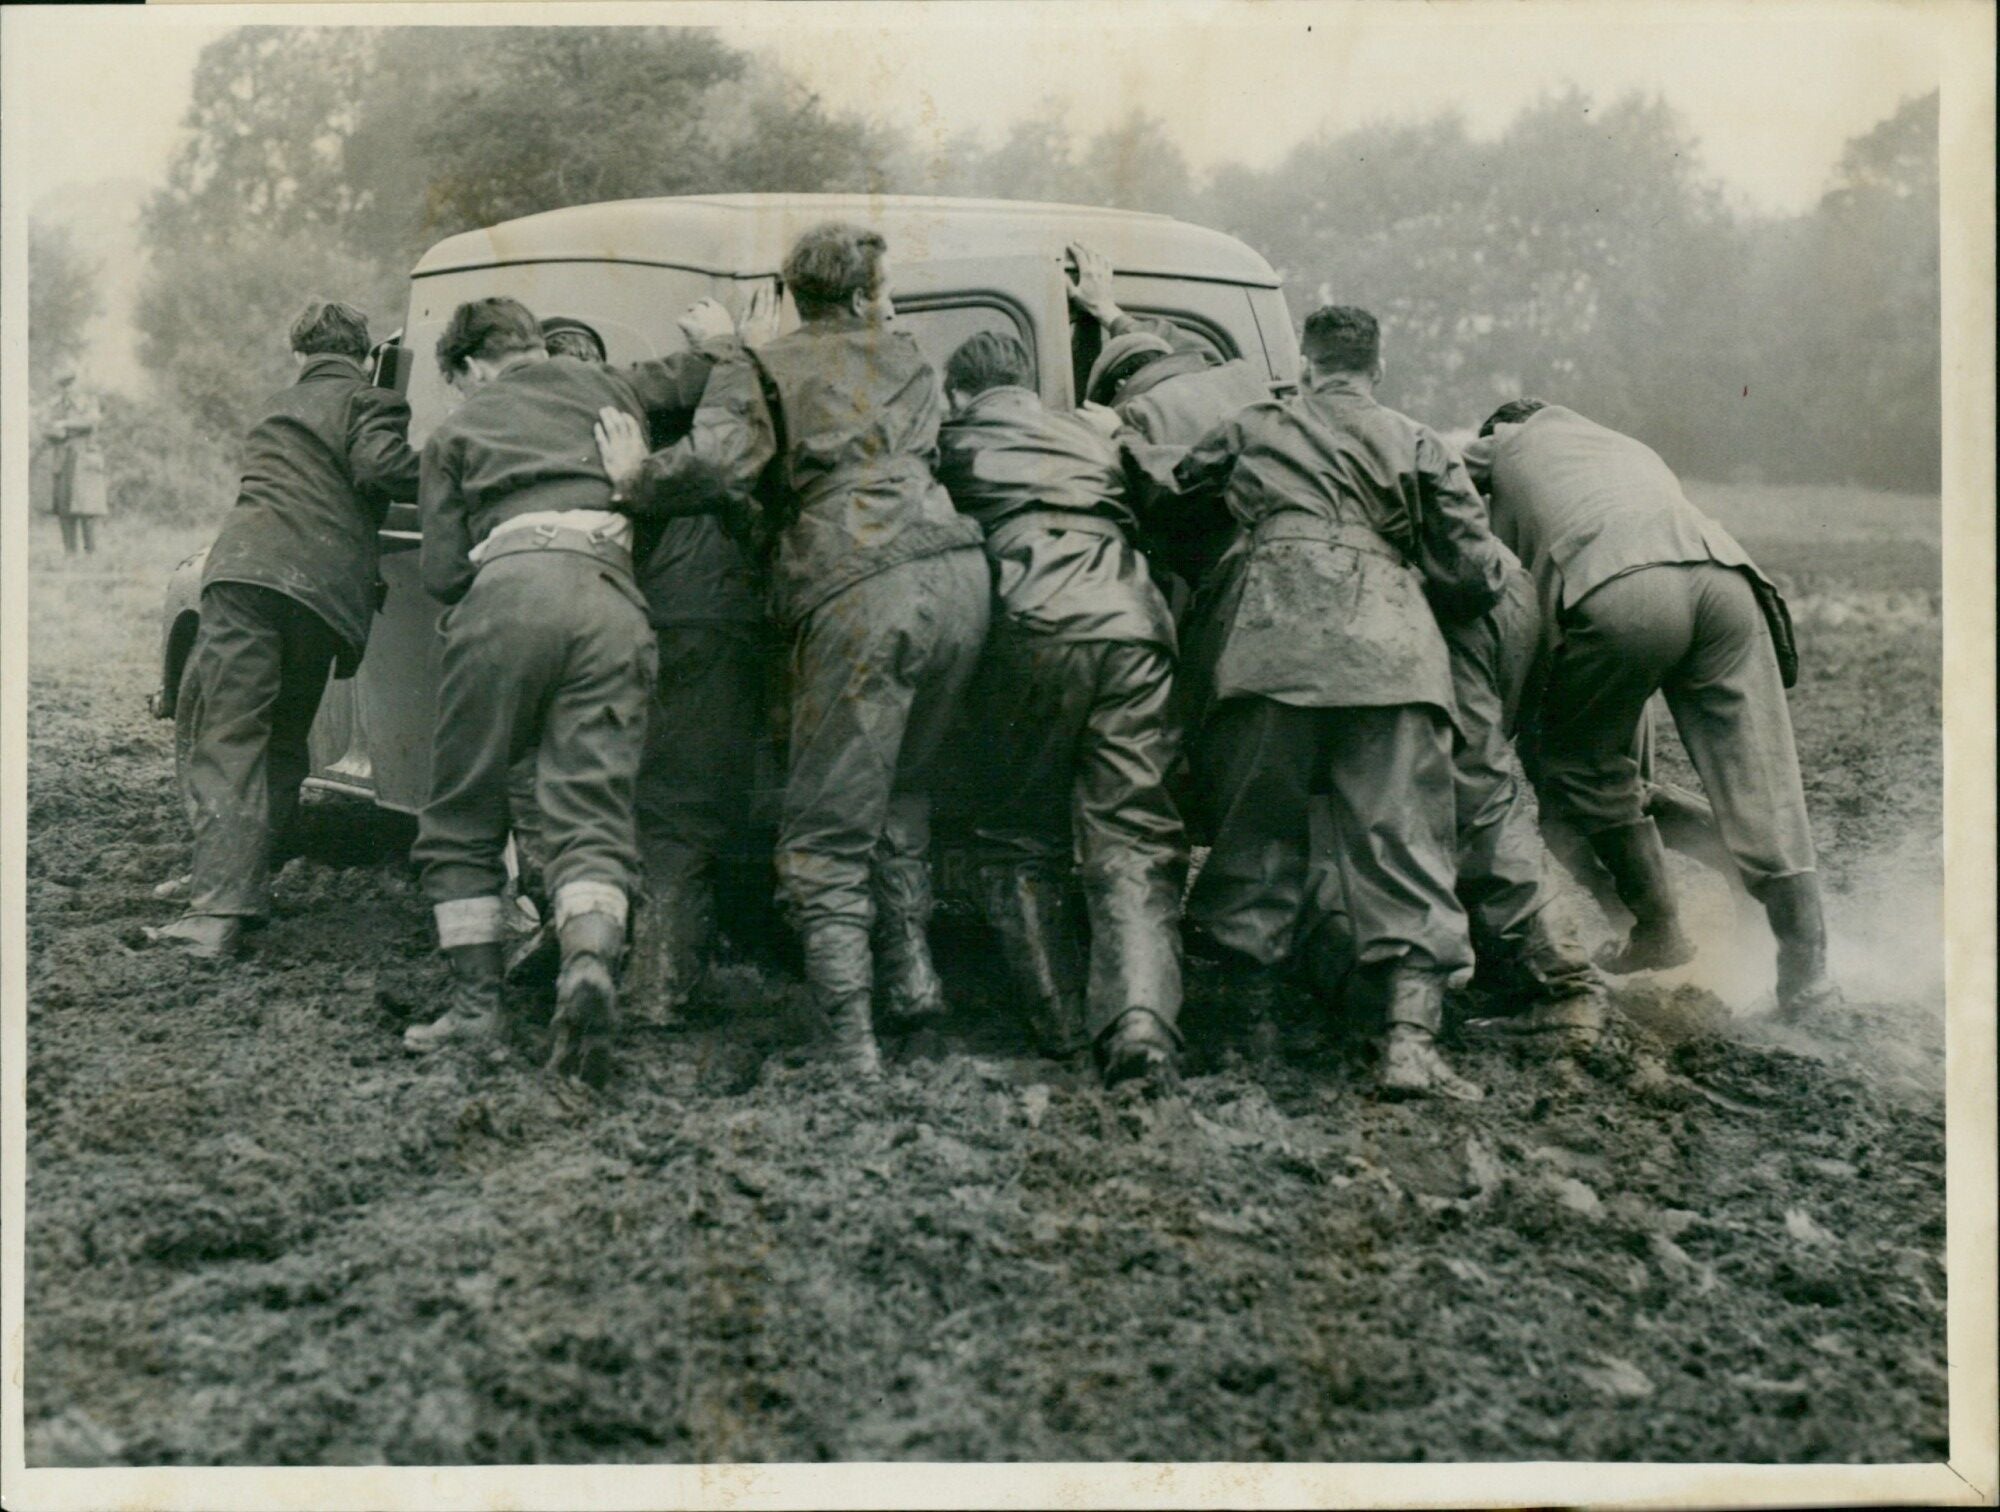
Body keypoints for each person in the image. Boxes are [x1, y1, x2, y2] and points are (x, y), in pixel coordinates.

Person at [595, 221, 990, 1079]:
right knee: (897, 789)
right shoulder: (911, 358)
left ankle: (850, 1049)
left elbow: (714, 466)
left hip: (860, 584)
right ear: (863, 294)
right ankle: (916, 994)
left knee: (823, 832)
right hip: (960, 575)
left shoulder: (763, 367)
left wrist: (634, 478)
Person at [1133, 305, 1508, 1100]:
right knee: (1404, 846)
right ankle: (1408, 1046)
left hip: (1274, 645)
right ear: (1378, 367)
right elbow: (1474, 575)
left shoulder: (1256, 424)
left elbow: (1170, 501)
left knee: (1255, 838)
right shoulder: (1418, 441)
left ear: (1305, 365)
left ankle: (1251, 1043)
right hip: (1392, 658)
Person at [1460, 399, 1839, 1016]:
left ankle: (1658, 927)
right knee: (1761, 781)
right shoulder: (1620, 446)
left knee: (1578, 765)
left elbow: (1425, 479)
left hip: (1619, 586)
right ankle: (1809, 981)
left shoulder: (1505, 441)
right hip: (1727, 580)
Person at [401, 297, 661, 1078]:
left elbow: (441, 573)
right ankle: (586, 963)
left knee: (463, 812)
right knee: (592, 810)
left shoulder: (455, 433)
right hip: (611, 601)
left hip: (509, 598)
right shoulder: (611, 388)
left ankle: (475, 1012)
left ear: (470, 365)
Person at [936, 330, 1188, 1087]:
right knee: (1136, 833)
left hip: (1030, 625)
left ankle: (1064, 1033)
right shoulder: (1092, 435)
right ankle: (1141, 1025)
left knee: (1018, 835)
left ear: (958, 393)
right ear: (1028, 386)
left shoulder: (951, 441)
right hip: (1133, 624)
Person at [513, 308, 770, 1023]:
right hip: (709, 628)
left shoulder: (558, 433)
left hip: (618, 630)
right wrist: (727, 347)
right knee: (679, 815)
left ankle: (572, 941)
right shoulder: (689, 419)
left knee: (579, 798)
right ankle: (656, 987)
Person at [146, 302, 420, 960]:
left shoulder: (277, 406)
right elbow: (383, 469)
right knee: (282, 739)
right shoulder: (372, 400)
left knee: (229, 737)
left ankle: (218, 908)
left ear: (299, 353)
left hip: (247, 581)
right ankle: (236, 888)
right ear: (363, 355)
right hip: (323, 598)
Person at [1065, 242, 1271, 598]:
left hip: (1225, 586)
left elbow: (1171, 486)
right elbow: (1177, 348)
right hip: (1274, 560)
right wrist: (1107, 310)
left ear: (1120, 387)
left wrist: (1117, 432)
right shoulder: (1240, 376)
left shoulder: (1134, 422)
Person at [42, 367, 108, 556]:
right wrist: (54, 432)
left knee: (87, 508)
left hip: (84, 458)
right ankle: (70, 553)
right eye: (64, 385)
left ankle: (91, 553)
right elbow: (46, 426)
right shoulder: (55, 405)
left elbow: (91, 422)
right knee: (64, 507)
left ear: (79, 384)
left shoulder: (89, 402)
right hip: (63, 457)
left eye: (71, 384)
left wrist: (64, 424)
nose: (68, 388)